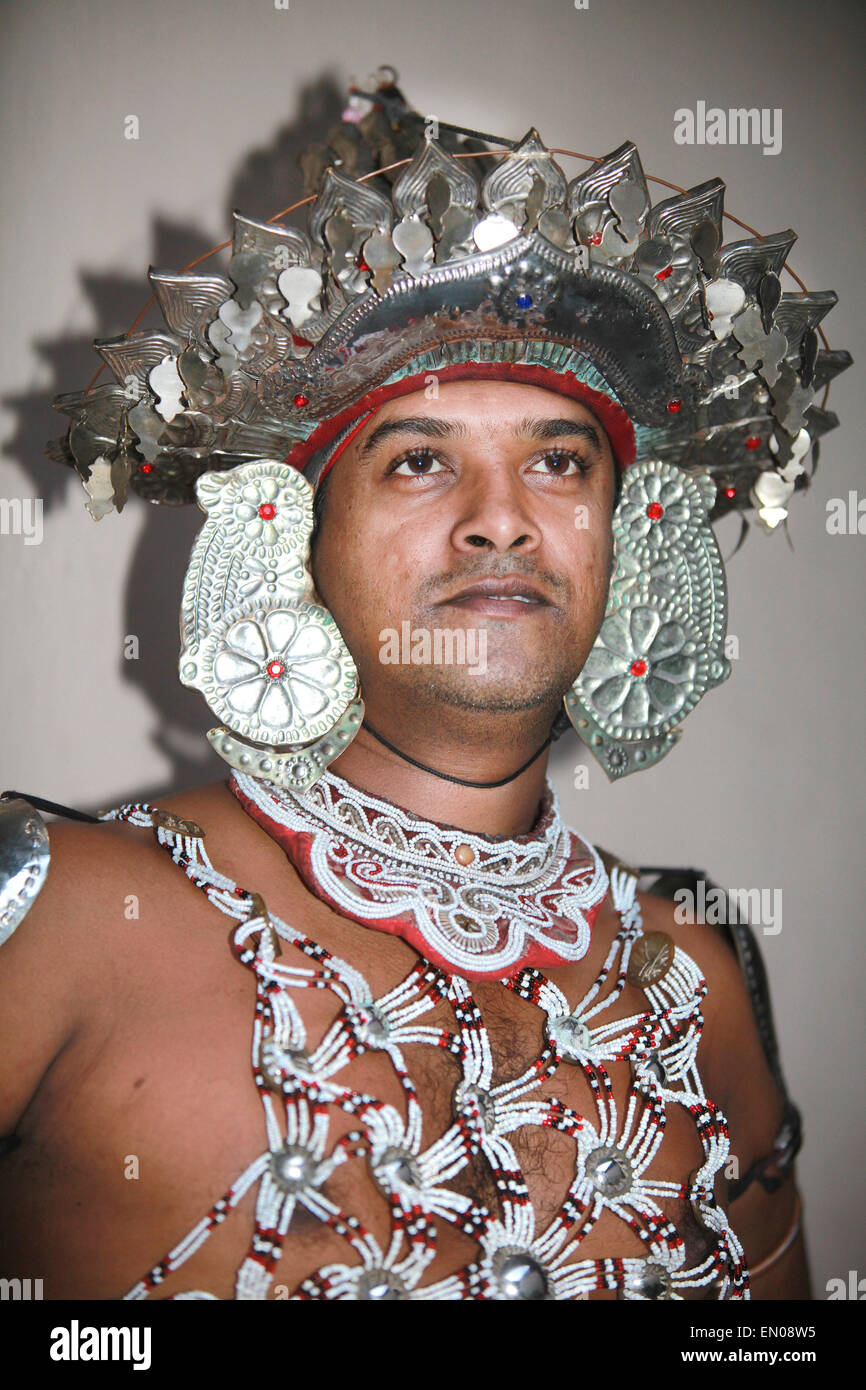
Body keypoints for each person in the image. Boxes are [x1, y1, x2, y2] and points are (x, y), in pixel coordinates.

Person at [0, 73, 848, 1301]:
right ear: (297, 537)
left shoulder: (696, 978)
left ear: (627, 533)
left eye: (557, 461)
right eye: (416, 462)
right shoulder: (62, 920)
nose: (499, 521)